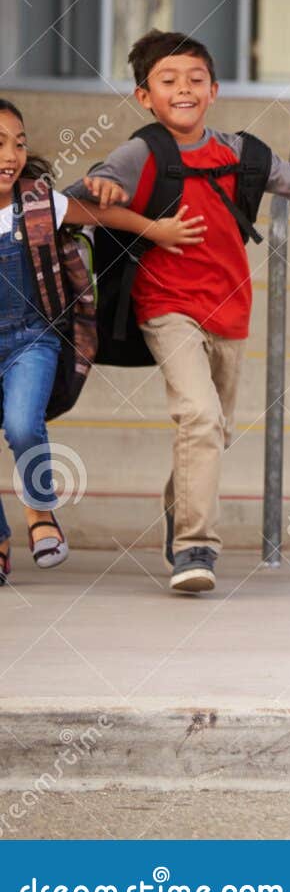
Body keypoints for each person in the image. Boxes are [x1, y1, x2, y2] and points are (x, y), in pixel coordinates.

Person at [61, 30, 290, 594]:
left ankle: (178, 508)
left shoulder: (241, 153)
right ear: (144, 97)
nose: (183, 89)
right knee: (201, 420)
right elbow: (76, 201)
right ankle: (193, 547)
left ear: (214, 90)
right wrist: (114, 194)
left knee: (214, 430)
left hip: (230, 311)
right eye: (168, 81)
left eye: (195, 79)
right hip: (165, 307)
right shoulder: (142, 152)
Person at [0, 98, 204, 584]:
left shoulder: (38, 201)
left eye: (19, 143)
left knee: (23, 425)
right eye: (0, 144)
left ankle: (40, 512)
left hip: (32, 336)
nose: (11, 154)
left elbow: (100, 214)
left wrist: (157, 229)